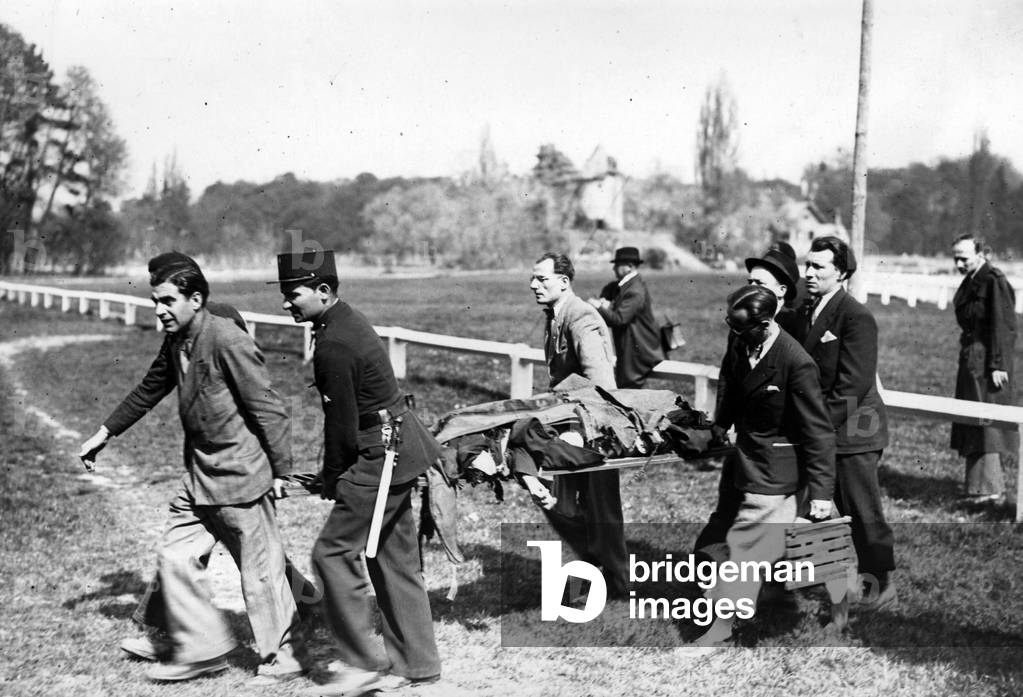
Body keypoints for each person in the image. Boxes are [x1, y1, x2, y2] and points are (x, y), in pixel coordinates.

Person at [78, 253, 302, 684]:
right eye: (154, 301)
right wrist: (105, 432)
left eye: (166, 300)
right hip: (200, 473)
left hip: (239, 474)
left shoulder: (225, 337)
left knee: (260, 574)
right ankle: (194, 644)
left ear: (195, 299)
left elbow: (270, 408)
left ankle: (285, 655)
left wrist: (280, 471)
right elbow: (150, 387)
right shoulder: (178, 337)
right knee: (175, 555)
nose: (159, 310)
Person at [276, 250, 441, 696]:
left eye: (294, 294)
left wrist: (334, 478)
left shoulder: (334, 342)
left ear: (324, 291)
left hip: (380, 454)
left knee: (331, 554)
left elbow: (342, 426)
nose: (287, 303)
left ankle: (362, 663)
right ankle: (418, 663)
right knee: (391, 554)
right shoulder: (343, 321)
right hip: (399, 447)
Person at [693, 285, 835, 646]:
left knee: (745, 544)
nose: (735, 335)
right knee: (761, 547)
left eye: (741, 329)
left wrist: (821, 492)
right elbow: (732, 389)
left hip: (776, 471)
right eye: (732, 326)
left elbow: (818, 431)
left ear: (767, 323)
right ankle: (782, 597)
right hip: (746, 461)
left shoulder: (796, 362)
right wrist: (719, 427)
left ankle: (719, 629)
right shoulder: (744, 340)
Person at [798, 236, 896, 608]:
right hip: (825, 429)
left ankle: (880, 585)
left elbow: (853, 386)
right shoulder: (809, 309)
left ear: (840, 273)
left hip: (856, 431)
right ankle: (819, 579)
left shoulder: (856, 316)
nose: (808, 273)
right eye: (807, 265)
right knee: (821, 508)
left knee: (862, 513)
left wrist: (816, 427)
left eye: (818, 267)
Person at [528, 252, 628, 598]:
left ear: (564, 281)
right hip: (569, 425)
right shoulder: (555, 315)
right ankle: (589, 576)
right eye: (533, 278)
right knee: (561, 502)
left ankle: (617, 582)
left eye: (541, 279)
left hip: (593, 429)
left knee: (601, 508)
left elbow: (600, 384)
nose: (533, 285)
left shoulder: (581, 316)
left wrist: (584, 434)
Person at [950, 234, 1018, 502]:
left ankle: (989, 489)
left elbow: (1005, 326)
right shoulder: (972, 280)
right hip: (971, 358)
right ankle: (976, 487)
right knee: (972, 420)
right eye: (955, 257)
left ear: (980, 254)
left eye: (963, 258)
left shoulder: (993, 281)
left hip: (987, 361)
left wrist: (998, 364)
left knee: (986, 422)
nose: (958, 263)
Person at [587, 246, 664, 388]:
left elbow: (619, 319)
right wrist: (605, 301)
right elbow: (612, 290)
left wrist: (597, 306)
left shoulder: (634, 290)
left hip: (638, 353)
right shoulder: (627, 285)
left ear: (629, 266)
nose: (614, 268)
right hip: (631, 348)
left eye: (617, 265)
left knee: (628, 390)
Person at [744, 241, 801, 336]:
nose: (751, 287)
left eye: (760, 283)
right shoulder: (743, 319)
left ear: (781, 290)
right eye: (750, 282)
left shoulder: (796, 324)